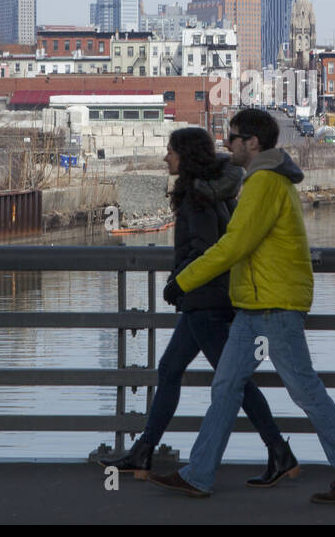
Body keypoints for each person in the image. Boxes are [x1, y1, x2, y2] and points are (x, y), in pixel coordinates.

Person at [149, 109, 335, 504]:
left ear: (252, 143)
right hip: (254, 305)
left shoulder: (265, 182)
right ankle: (198, 474)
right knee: (226, 387)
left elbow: (235, 244)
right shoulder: (263, 180)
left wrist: (183, 281)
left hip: (273, 304)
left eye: (232, 137)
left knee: (305, 391)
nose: (226, 143)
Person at [99, 127, 297, 485]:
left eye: (171, 151)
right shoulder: (214, 190)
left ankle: (279, 452)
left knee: (233, 380)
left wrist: (178, 282)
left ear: (185, 155)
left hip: (205, 300)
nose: (165, 158)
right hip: (205, 299)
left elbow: (205, 246)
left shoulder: (197, 196)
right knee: (171, 368)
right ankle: (143, 451)